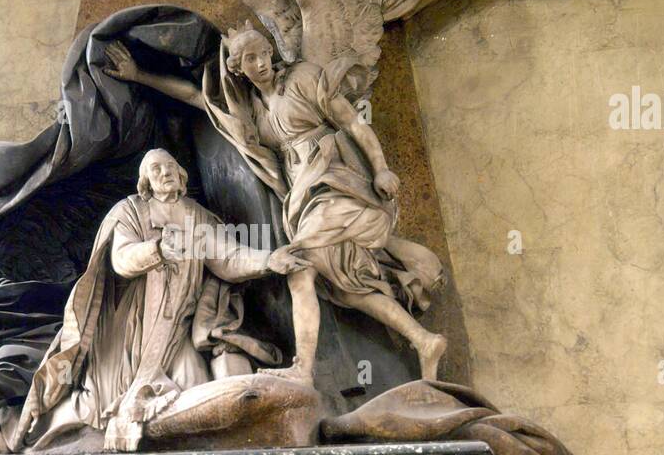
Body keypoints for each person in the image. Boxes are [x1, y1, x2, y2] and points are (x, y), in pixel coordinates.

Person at [104, 30, 446, 386]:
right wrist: (138, 75)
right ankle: (424, 341)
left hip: (337, 182)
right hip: (301, 197)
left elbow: (352, 122)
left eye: (265, 53)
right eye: (251, 59)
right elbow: (196, 96)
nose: (262, 62)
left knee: (299, 268)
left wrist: (381, 167)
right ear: (237, 68)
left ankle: (304, 370)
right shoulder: (249, 110)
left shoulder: (304, 78)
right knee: (340, 287)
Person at [7, 148, 305, 453]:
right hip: (128, 332)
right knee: (95, 407)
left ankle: (182, 453)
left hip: (176, 330)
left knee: (195, 383)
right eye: (156, 169)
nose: (165, 172)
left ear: (181, 174)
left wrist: (269, 260)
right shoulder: (130, 211)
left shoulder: (196, 216)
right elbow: (121, 259)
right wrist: (157, 249)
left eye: (170, 166)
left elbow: (228, 258)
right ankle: (27, 435)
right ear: (146, 181)